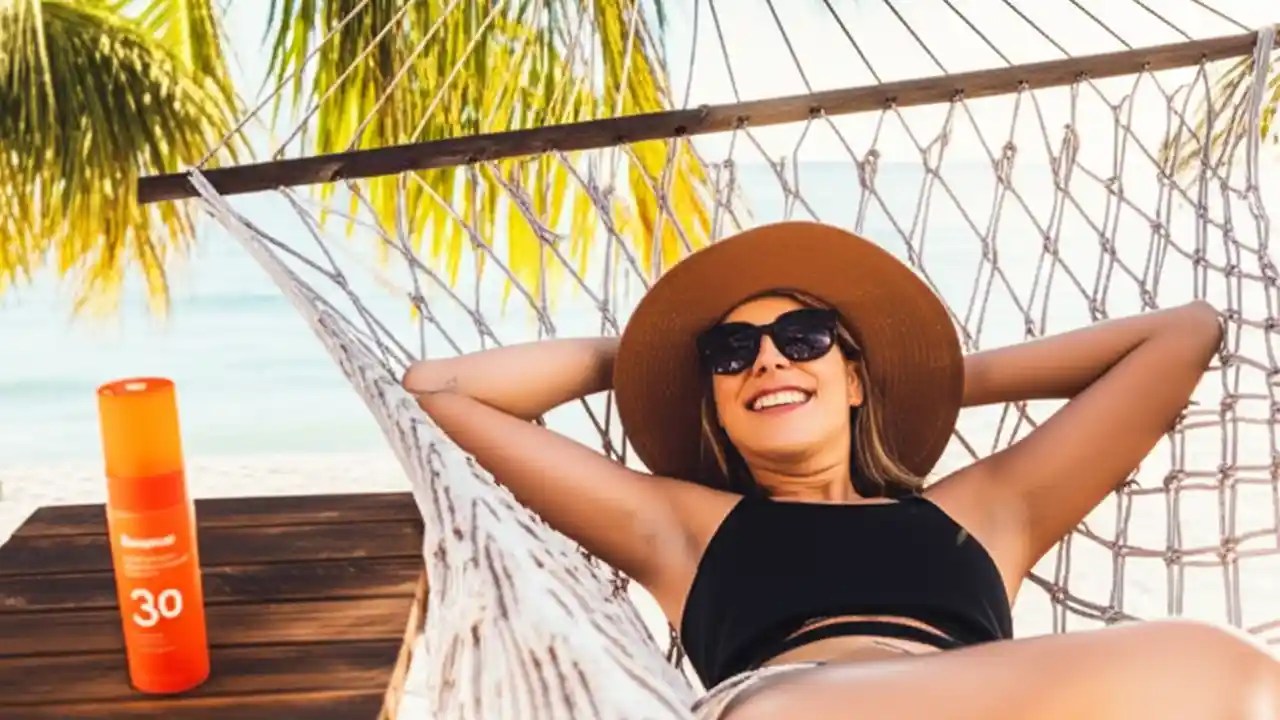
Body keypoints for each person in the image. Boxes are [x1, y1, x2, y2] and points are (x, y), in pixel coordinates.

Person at [402, 221, 1279, 719]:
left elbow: (1184, 332)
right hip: (795, 704)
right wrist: (642, 358)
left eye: (805, 341)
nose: (769, 363)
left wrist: (926, 375)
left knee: (1228, 672)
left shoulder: (986, 510)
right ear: (711, 398)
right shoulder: (684, 526)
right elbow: (439, 389)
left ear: (855, 376)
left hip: (979, 698)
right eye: (732, 351)